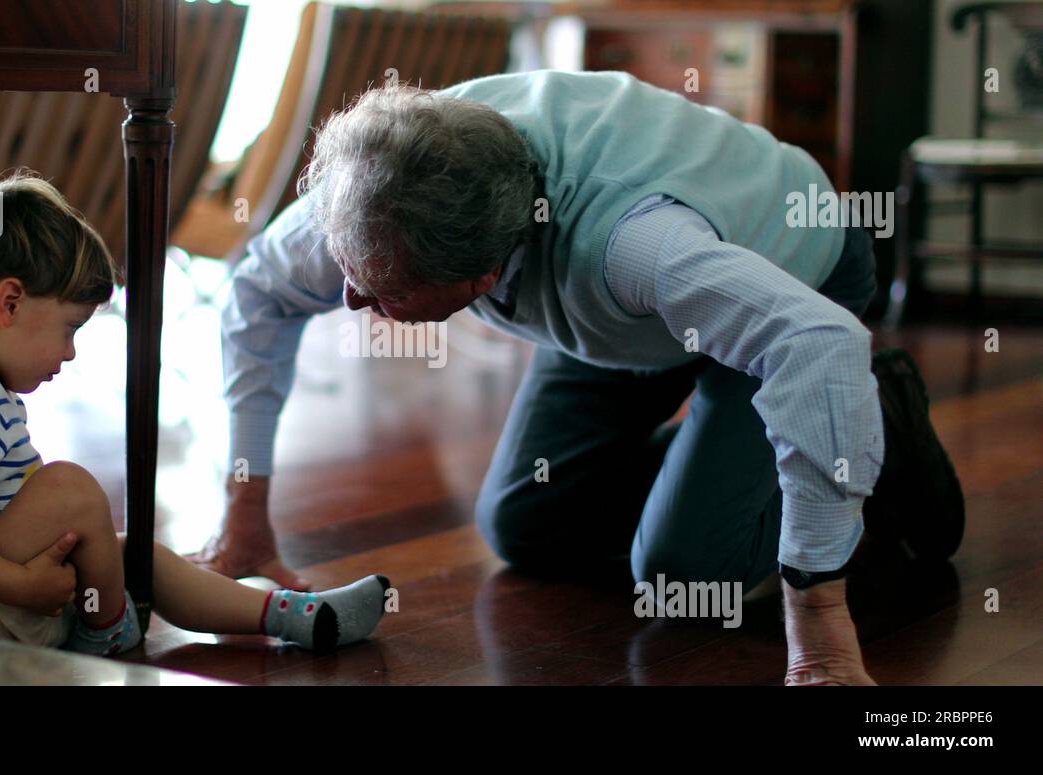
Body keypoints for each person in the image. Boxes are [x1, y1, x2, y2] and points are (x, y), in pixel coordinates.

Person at [192, 71, 965, 685]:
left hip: (794, 278)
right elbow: (257, 293)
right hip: (630, 312)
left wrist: (820, 625)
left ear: (481, 278)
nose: (352, 297)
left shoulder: (627, 245)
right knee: (527, 524)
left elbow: (816, 340)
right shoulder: (385, 186)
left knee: (686, 572)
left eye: (384, 288)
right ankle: (750, 455)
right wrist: (244, 513)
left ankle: (868, 410)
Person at [0, 174, 390, 656]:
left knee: (137, 556)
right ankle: (106, 636)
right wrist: (21, 586)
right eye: (69, 328)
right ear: (10, 303)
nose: (69, 353)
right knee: (68, 489)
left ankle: (295, 616)